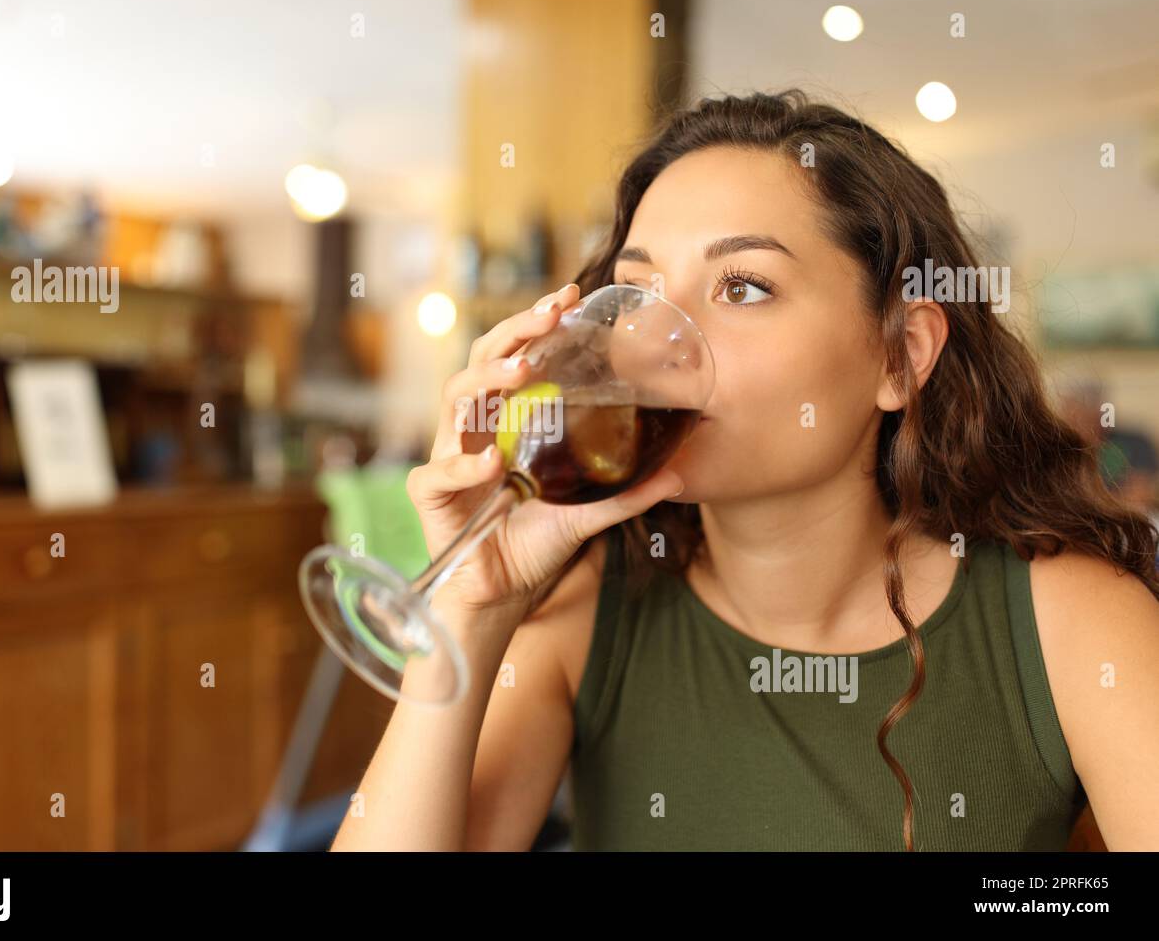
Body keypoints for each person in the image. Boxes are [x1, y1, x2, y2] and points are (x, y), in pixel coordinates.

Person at [331, 90, 1159, 851]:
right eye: (636, 292)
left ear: (901, 357)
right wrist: (472, 607)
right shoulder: (595, 610)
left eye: (744, 287)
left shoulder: (1068, 622)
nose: (657, 341)